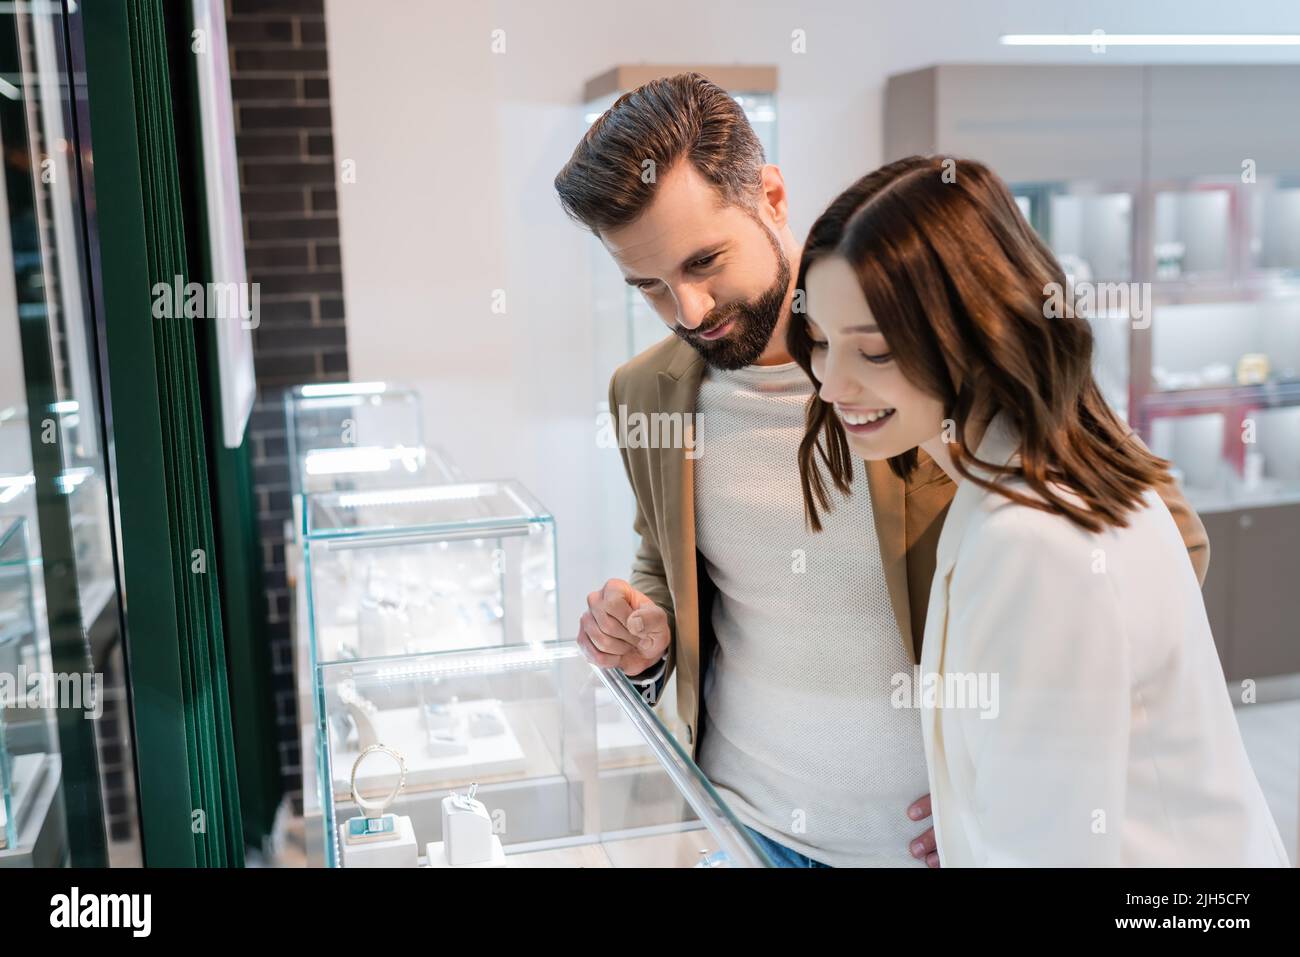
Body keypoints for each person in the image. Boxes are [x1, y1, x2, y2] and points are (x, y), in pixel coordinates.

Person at [554, 74, 1208, 867]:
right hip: (743, 825)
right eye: (649, 287)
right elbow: (665, 562)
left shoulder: (936, 350)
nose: (688, 310)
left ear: (771, 195)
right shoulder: (644, 392)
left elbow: (1160, 543)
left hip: (925, 850)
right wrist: (649, 629)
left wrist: (1012, 776)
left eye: (704, 262)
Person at [789, 154, 1290, 866]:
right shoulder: (1040, 474)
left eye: (873, 351)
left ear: (971, 329)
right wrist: (976, 810)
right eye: (820, 342)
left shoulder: (1032, 541)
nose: (831, 383)